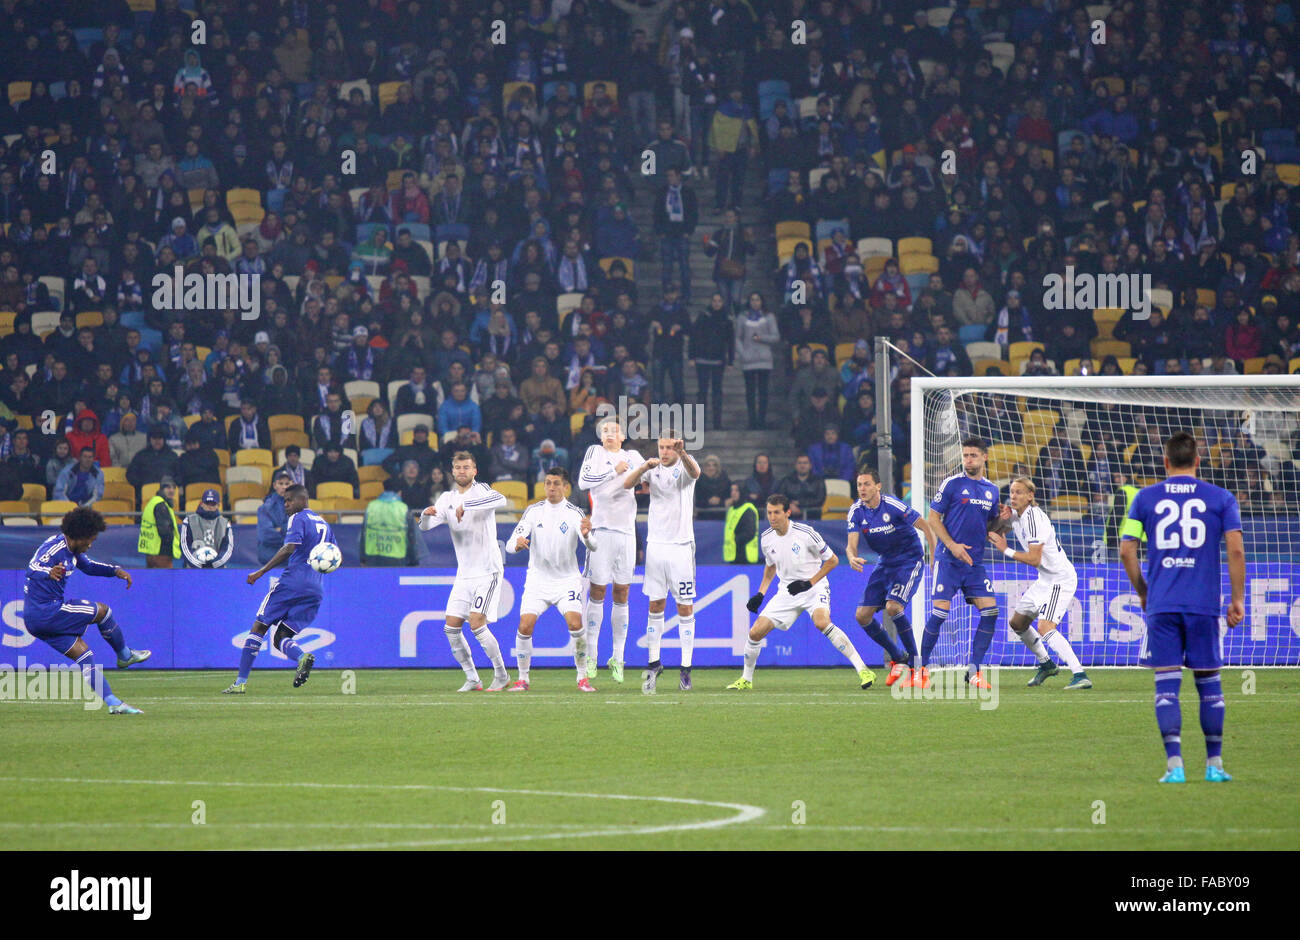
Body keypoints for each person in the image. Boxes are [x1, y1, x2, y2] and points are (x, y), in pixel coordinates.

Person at [1120, 432, 1245, 784]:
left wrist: (1144, 592)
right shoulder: (1221, 498)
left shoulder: (1145, 498)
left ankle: (1175, 765)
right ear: (1198, 461)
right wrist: (1237, 599)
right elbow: (1236, 551)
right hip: (1203, 604)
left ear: (1165, 462)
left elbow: (1126, 549)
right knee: (1209, 684)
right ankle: (1214, 765)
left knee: (1166, 686)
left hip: (1162, 604)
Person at [726, 494, 874, 691]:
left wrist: (809, 583)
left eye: (777, 512)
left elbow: (833, 561)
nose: (772, 517)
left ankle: (863, 669)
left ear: (787, 512)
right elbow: (770, 567)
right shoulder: (766, 538)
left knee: (822, 622)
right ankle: (746, 679)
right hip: (787, 591)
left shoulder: (806, 533)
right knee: (755, 632)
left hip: (814, 586)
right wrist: (760, 594)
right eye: (769, 513)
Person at [22, 507, 149, 715]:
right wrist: (49, 572)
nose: (90, 544)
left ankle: (113, 703)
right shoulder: (54, 549)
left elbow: (89, 567)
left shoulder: (72, 550)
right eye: (89, 539)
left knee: (84, 654)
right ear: (76, 536)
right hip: (47, 610)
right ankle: (125, 655)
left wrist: (114, 571)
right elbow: (32, 568)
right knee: (103, 612)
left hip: (36, 620)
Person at [223, 484, 336, 693]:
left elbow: (289, 548)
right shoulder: (325, 524)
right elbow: (334, 555)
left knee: (259, 626)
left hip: (292, 582)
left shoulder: (298, 517)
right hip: (316, 589)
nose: (285, 505)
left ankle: (240, 683)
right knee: (281, 637)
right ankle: (301, 656)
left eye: (288, 500)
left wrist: (261, 572)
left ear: (302, 500)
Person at [418, 451, 512, 691]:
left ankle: (501, 674)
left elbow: (501, 499)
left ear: (474, 471)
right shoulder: (446, 498)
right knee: (451, 628)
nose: (462, 471)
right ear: (453, 471)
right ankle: (472, 678)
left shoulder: (482, 491)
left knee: (477, 623)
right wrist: (424, 516)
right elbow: (427, 526)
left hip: (488, 570)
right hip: (465, 573)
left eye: (467, 467)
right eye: (458, 467)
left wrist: (466, 505)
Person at [988, 477, 1091, 690]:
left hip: (1060, 579)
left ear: (1030, 496)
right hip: (1045, 579)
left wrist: (1006, 550)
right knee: (1017, 623)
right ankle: (1046, 664)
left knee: (1045, 627)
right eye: (1012, 492)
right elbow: (995, 532)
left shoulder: (1035, 518)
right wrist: (1000, 518)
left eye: (1019, 492)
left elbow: (1034, 559)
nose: (1013, 496)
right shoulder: (1017, 515)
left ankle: (1080, 674)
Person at [917, 438, 1004, 689]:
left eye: (973, 455)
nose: (968, 460)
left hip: (974, 564)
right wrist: (952, 546)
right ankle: (920, 669)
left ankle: (974, 671)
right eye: (965, 455)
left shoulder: (992, 490)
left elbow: (990, 527)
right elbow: (933, 518)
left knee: (990, 613)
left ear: (984, 458)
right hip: (949, 560)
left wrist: (1003, 522)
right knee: (939, 613)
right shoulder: (952, 484)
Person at [503, 466, 599, 692]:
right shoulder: (533, 511)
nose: (551, 487)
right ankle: (523, 679)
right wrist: (516, 545)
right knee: (525, 625)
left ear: (565, 487)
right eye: (548, 483)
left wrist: (587, 535)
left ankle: (582, 677)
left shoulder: (574, 513)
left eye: (556, 483)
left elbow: (593, 545)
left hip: (567, 580)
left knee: (576, 624)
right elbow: (509, 544)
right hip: (538, 580)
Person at [622, 436, 701, 692]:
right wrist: (644, 467)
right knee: (655, 604)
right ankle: (654, 663)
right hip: (656, 545)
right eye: (662, 448)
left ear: (677, 448)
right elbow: (627, 484)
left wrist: (684, 454)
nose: (665, 452)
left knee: (684, 607)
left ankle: (686, 670)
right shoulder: (652, 468)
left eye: (670, 447)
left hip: (680, 546)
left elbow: (696, 472)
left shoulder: (685, 467)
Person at [846, 469, 935, 686]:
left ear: (878, 486)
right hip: (885, 562)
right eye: (859, 485)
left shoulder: (892, 505)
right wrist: (851, 557)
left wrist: (934, 556)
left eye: (867, 484)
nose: (862, 489)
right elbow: (851, 545)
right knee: (862, 616)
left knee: (894, 607)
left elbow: (925, 526)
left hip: (909, 560)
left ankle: (918, 666)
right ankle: (898, 657)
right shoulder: (856, 511)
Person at [577, 417, 642, 683]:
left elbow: (643, 477)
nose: (609, 434)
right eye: (605, 430)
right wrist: (614, 471)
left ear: (623, 435)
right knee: (597, 591)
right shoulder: (595, 453)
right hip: (601, 531)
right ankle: (591, 655)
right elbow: (583, 482)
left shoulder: (633, 456)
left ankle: (618, 656)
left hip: (627, 532)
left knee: (622, 592)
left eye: (614, 430)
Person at [360, 477, 415, 566]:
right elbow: (411, 536)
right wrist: (413, 559)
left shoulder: (371, 506)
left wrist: (362, 558)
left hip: (373, 557)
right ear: (400, 492)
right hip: (397, 557)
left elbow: (364, 534)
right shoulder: (403, 509)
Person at [180, 488, 234, 569]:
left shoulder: (225, 523)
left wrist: (215, 564)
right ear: (201, 503)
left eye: (213, 504)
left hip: (217, 570)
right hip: (192, 569)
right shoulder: (189, 521)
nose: (210, 506)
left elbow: (227, 549)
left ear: (218, 505)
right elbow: (184, 546)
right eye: (207, 503)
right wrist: (198, 564)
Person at [137, 476, 180, 568]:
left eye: (173, 488)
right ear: (162, 489)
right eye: (168, 488)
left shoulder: (153, 502)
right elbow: (165, 530)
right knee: (167, 581)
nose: (172, 490)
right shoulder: (161, 505)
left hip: (151, 551)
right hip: (161, 552)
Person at [256, 472, 291, 565]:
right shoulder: (265, 508)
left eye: (287, 484)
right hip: (270, 558)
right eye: (281, 483)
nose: (284, 487)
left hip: (291, 558)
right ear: (275, 485)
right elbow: (265, 536)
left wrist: (280, 529)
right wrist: (288, 534)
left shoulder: (298, 508)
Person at [722, 483, 759, 564]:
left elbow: (750, 533)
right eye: (732, 490)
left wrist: (736, 540)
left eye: (736, 490)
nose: (733, 493)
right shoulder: (732, 509)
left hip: (745, 556)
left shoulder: (748, 509)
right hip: (734, 555)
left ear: (742, 492)